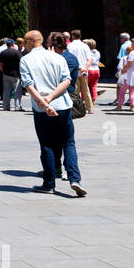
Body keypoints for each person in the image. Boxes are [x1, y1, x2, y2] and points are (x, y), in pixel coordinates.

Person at [18, 30, 85, 197]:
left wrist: (43, 102)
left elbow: (29, 85)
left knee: (47, 144)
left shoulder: (26, 60)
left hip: (41, 110)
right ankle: (74, 179)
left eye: (26, 43)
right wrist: (51, 97)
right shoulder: (58, 57)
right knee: (68, 143)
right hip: (62, 105)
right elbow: (67, 80)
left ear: (31, 42)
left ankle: (49, 183)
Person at [68, 29, 93, 113]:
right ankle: (89, 108)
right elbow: (89, 59)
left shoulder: (70, 46)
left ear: (73, 36)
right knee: (86, 90)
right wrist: (85, 69)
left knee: (75, 91)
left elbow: (71, 59)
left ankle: (76, 108)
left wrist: (79, 68)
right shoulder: (85, 46)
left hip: (75, 71)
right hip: (84, 72)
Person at [0, 39, 23, 111]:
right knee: (17, 92)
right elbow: (22, 63)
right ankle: (17, 107)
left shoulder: (2, 53)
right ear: (13, 44)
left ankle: (6, 107)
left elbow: (0, 65)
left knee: (6, 91)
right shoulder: (17, 53)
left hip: (6, 74)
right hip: (16, 74)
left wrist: (4, 71)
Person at [114, 32, 133, 111]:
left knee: (121, 88)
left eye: (121, 38)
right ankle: (131, 105)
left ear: (124, 39)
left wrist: (120, 71)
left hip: (124, 73)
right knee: (132, 91)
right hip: (132, 74)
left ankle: (119, 102)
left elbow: (120, 58)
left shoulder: (123, 46)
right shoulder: (133, 44)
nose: (120, 40)